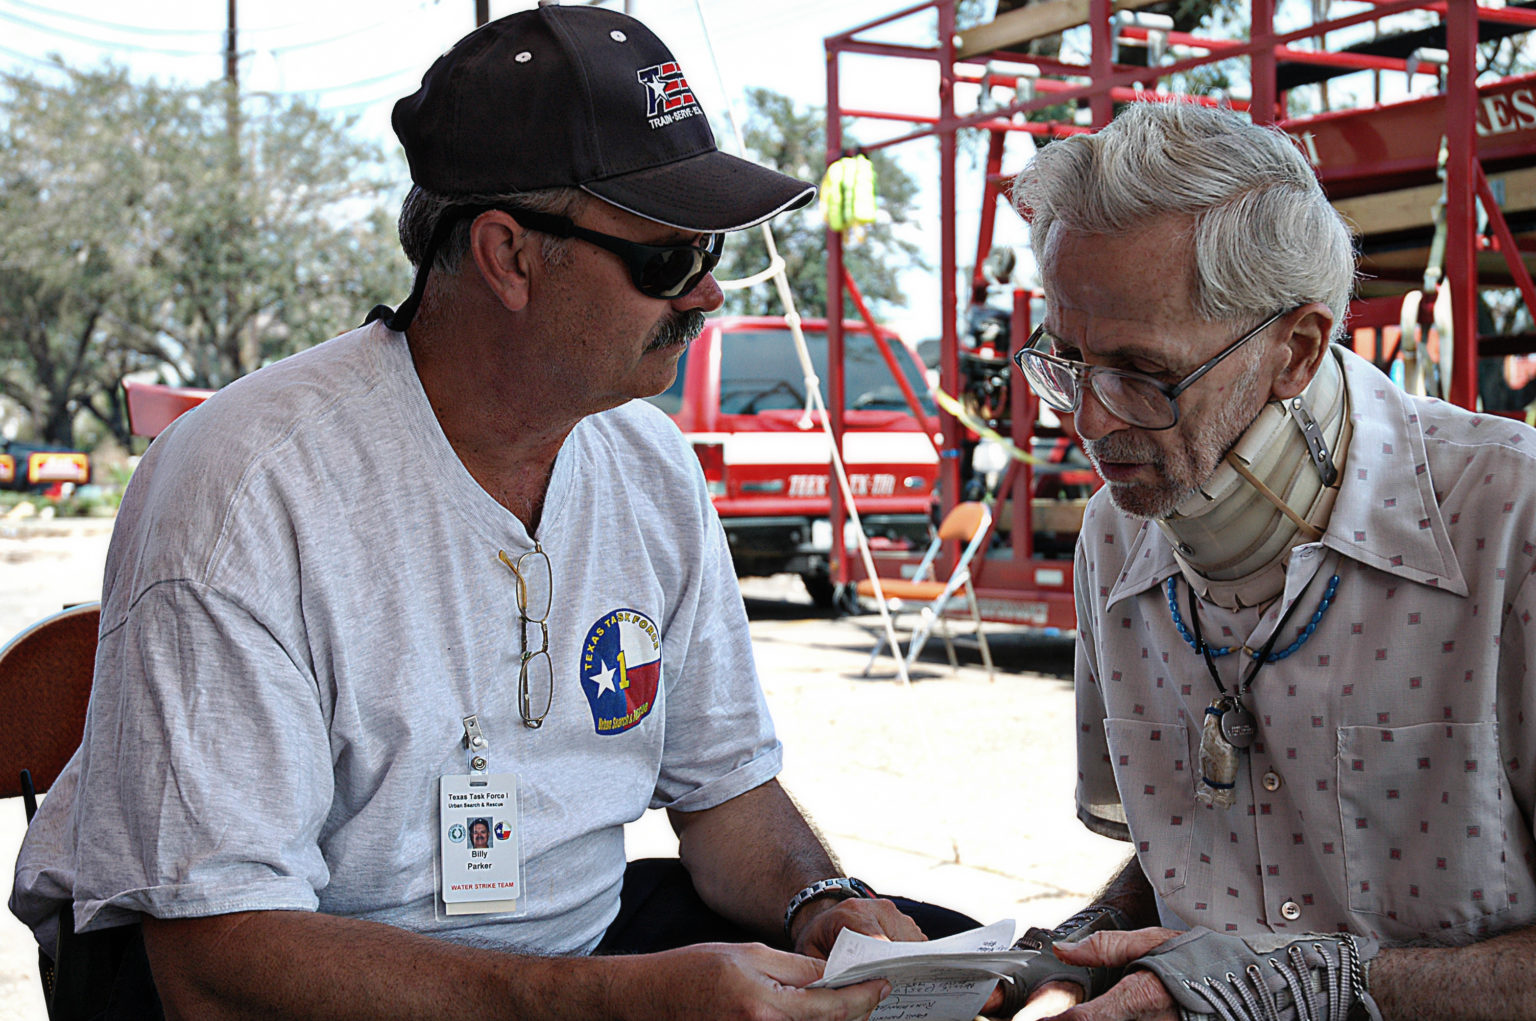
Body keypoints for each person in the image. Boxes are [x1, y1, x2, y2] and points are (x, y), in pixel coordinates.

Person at [9, 7, 978, 1019]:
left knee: (939, 968)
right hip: (275, 975)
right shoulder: (250, 487)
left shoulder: (649, 468)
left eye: (711, 251)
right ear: (509, 255)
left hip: (571, 949)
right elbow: (216, 958)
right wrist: (610, 1000)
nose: (708, 296)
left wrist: (823, 904)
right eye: (669, 261)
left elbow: (727, 791)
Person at [996, 100, 1536, 1020]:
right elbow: (1217, 831)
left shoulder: (1507, 524)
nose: (1091, 421)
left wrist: (1323, 987)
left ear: (1296, 350)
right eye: (1068, 363)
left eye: (1140, 372)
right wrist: (1089, 939)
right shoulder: (1116, 536)